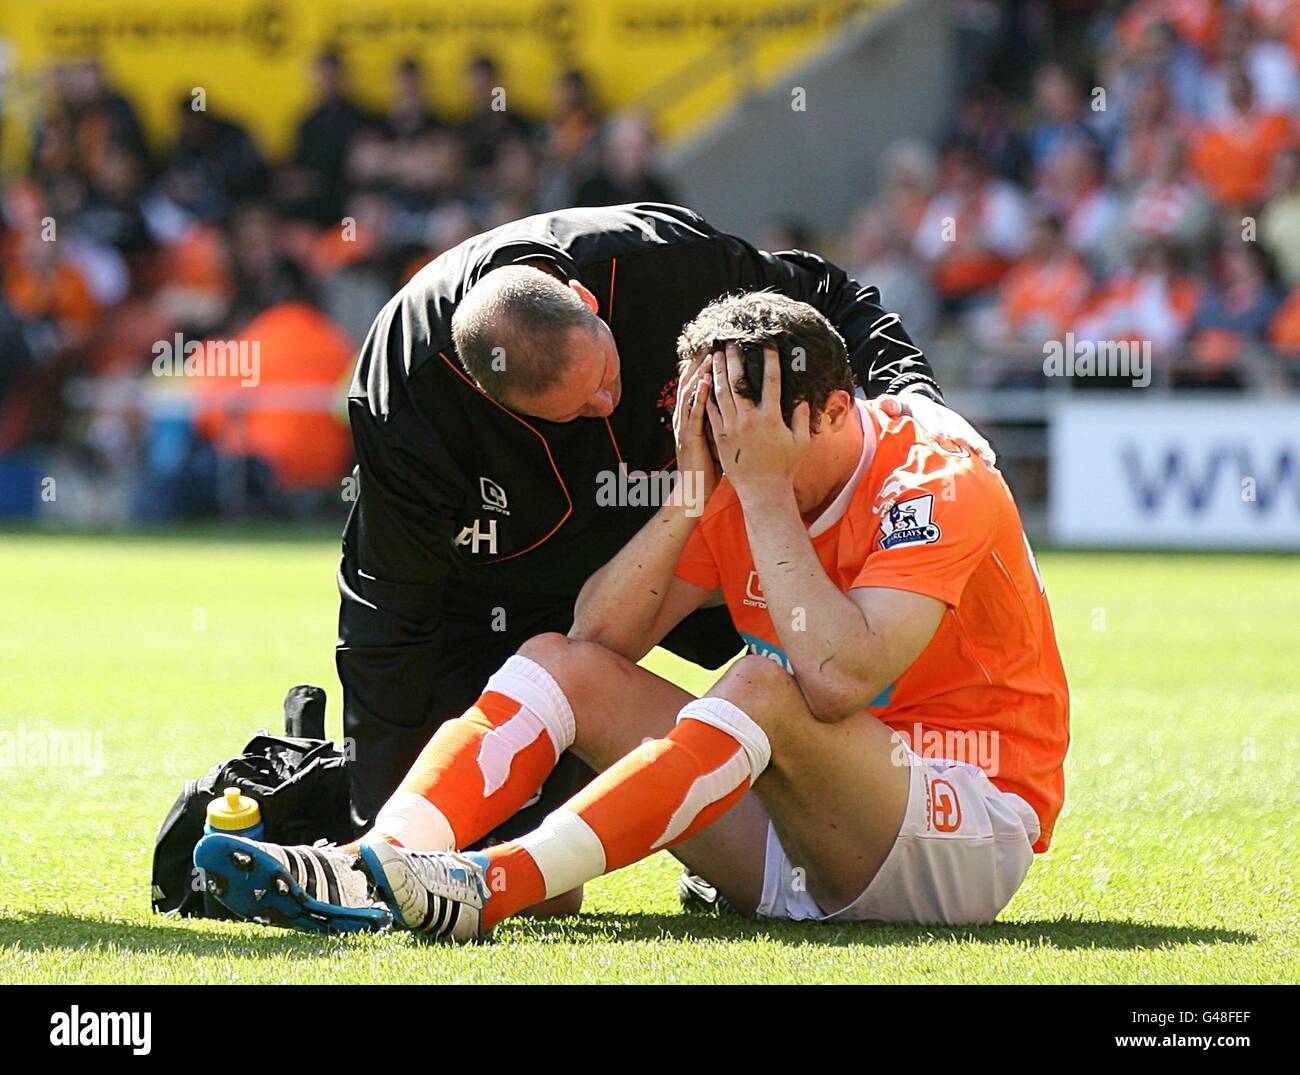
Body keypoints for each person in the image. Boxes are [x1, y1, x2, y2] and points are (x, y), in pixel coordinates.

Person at [196, 291, 1066, 937]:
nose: (735, 444)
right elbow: (597, 643)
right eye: (716, 421)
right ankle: (372, 865)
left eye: (754, 425)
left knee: (764, 683)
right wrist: (694, 494)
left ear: (837, 409)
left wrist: (758, 490)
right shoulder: (734, 470)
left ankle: (483, 886)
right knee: (558, 660)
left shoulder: (936, 477)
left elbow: (840, 680)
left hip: (961, 831)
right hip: (803, 830)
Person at [330, 202, 978, 918]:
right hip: (502, 582)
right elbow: (386, 616)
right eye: (575, 410)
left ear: (586, 300)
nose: (608, 403)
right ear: (489, 397)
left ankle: (497, 879)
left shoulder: (662, 262)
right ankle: (367, 865)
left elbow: (828, 301)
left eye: (609, 375)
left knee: (766, 680)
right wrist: (378, 819)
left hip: (701, 537)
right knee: (549, 904)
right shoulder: (407, 393)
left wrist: (918, 402)